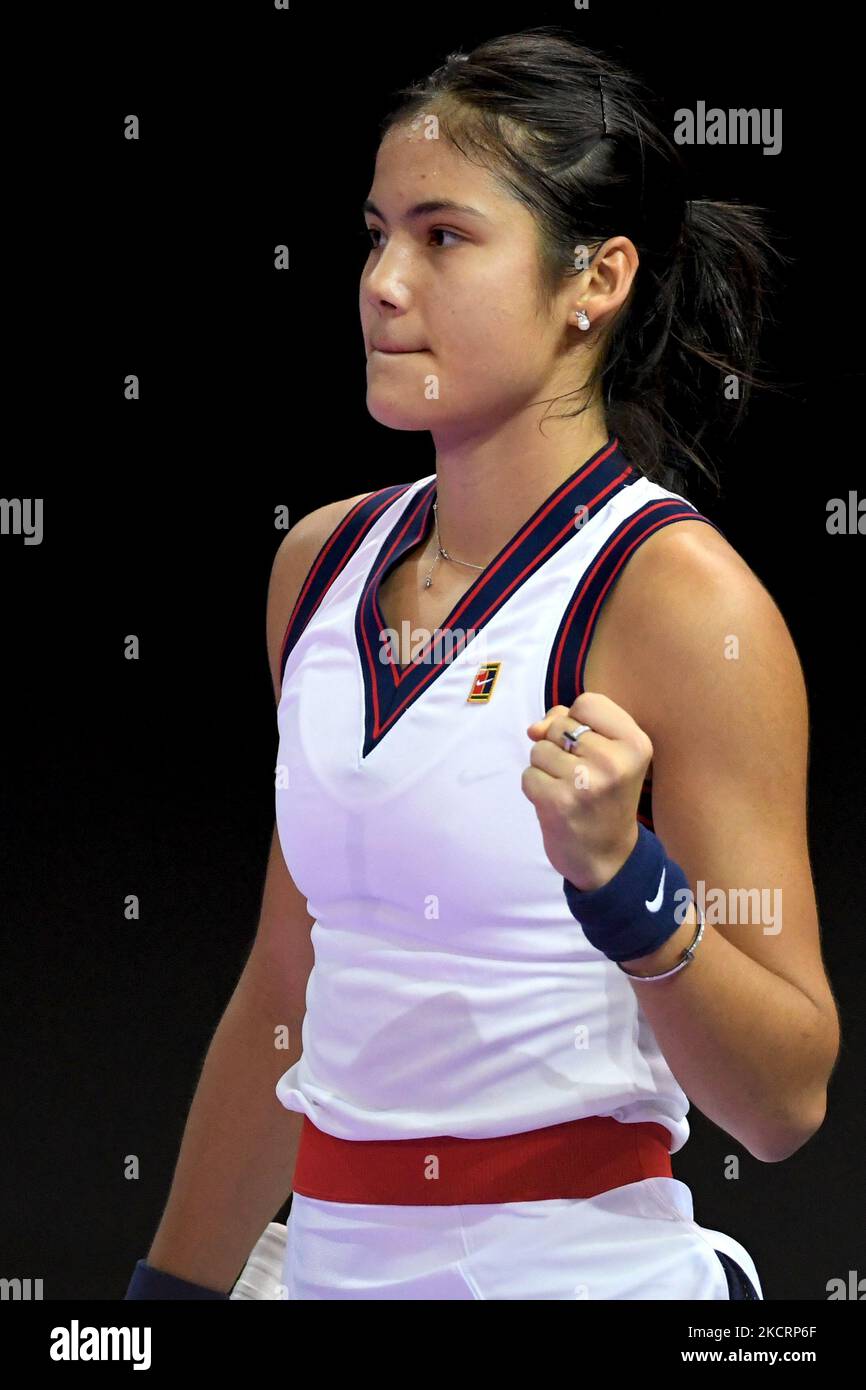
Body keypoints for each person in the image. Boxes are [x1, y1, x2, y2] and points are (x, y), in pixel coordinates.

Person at [126, 27, 840, 1302]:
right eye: (374, 232)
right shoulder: (317, 566)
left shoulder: (682, 603)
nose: (382, 283)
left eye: (443, 236)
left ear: (594, 280)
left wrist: (627, 884)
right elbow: (287, 984)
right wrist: (165, 1299)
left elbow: (784, 1097)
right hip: (329, 1270)